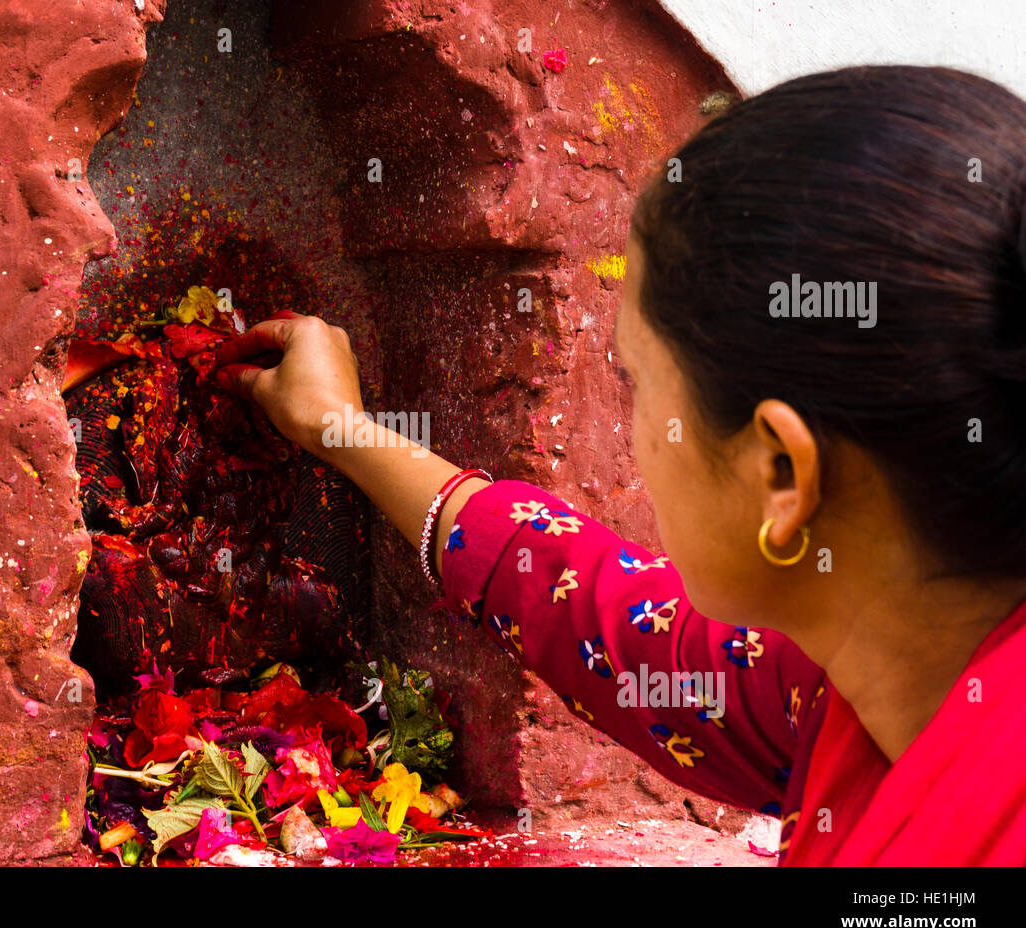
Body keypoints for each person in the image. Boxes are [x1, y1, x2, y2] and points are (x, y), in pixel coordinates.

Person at [210, 65, 1026, 865]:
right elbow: (618, 624)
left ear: (780, 472)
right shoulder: (868, 661)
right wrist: (341, 430)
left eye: (635, 380)